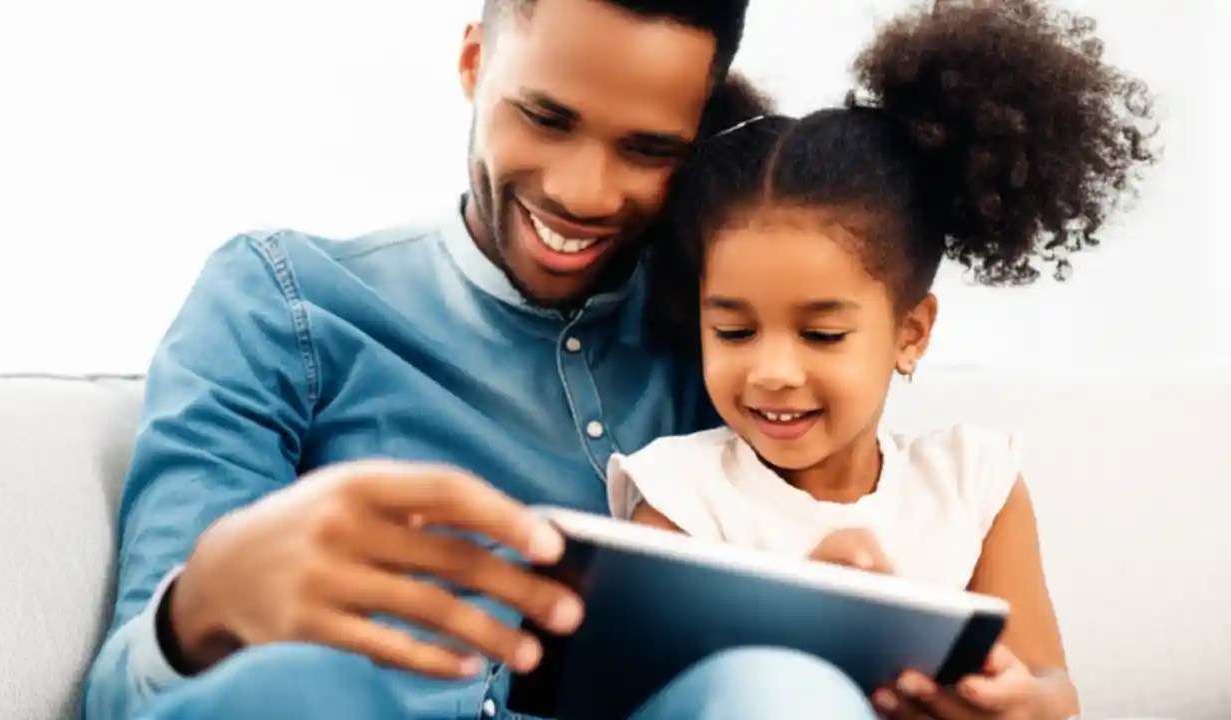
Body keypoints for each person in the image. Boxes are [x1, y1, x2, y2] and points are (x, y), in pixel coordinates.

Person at [83, 0, 888, 718]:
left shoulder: (737, 341)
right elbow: (123, 695)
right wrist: (201, 605)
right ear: (474, 62)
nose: (585, 193)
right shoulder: (284, 304)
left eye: (648, 149)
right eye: (545, 117)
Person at [607, 1, 1157, 718]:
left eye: (822, 335)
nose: (773, 370)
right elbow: (636, 695)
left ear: (911, 333)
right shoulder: (682, 498)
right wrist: (803, 616)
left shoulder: (971, 487)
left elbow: (1054, 689)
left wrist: (1022, 703)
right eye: (735, 333)